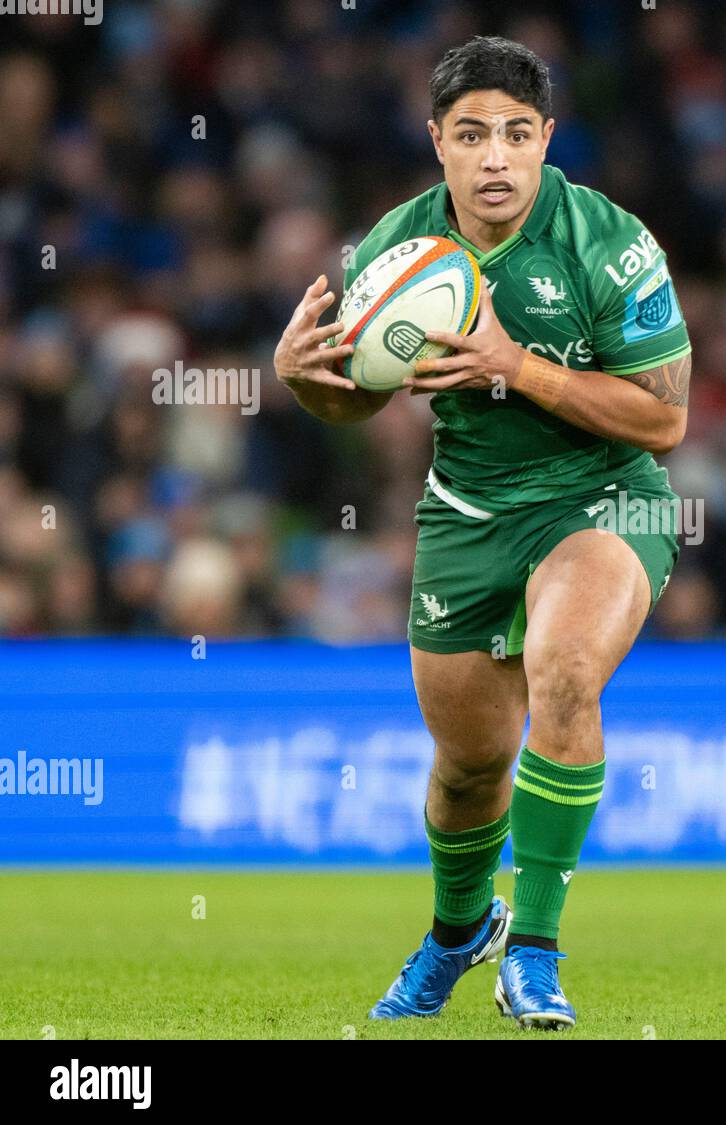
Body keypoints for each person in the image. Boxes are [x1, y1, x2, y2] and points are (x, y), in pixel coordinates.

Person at [272, 35, 691, 1030]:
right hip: (465, 511)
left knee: (564, 670)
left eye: (514, 133)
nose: (495, 157)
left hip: (603, 499)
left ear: (546, 139)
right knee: (467, 769)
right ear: (438, 144)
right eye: (471, 135)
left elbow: (665, 418)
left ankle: (535, 951)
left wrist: (520, 367)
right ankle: (460, 929)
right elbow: (358, 407)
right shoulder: (395, 250)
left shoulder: (610, 242)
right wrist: (301, 382)